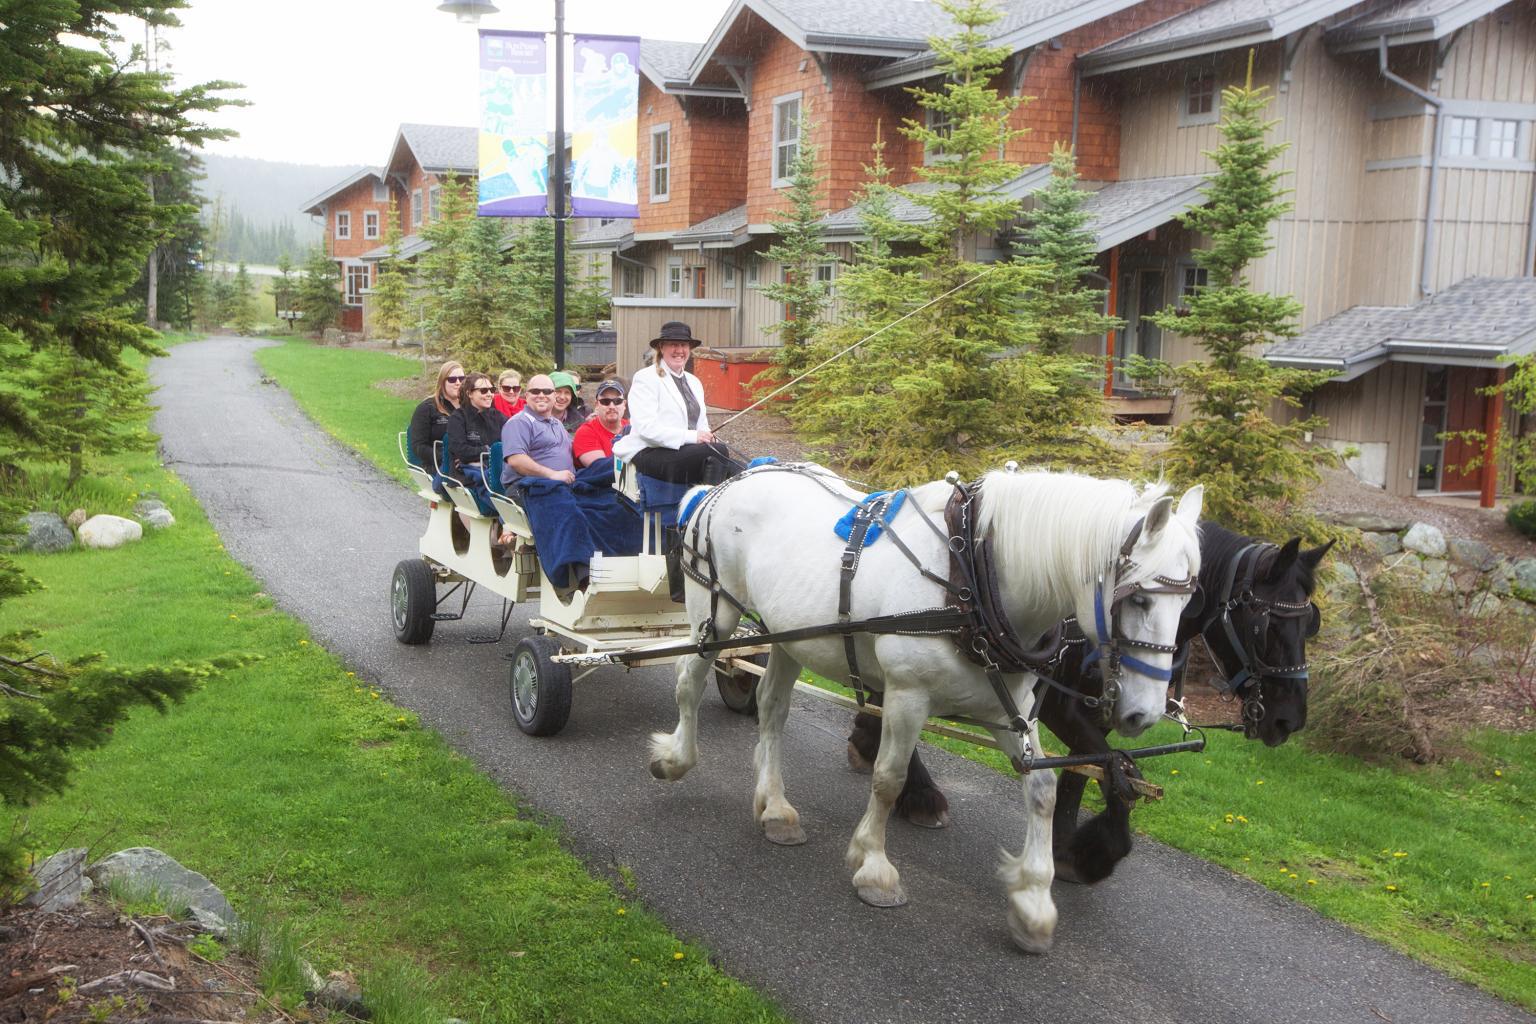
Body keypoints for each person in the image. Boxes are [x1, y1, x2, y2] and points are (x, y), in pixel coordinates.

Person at [613, 321, 742, 601]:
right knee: (715, 452)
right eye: (673, 344)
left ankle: (727, 505)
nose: (679, 350)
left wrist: (703, 437)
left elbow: (702, 426)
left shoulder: (693, 382)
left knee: (721, 452)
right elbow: (646, 429)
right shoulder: (646, 378)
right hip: (650, 452)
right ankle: (704, 523)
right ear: (661, 348)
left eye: (683, 345)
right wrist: (693, 436)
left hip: (681, 451)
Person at [501, 374, 640, 596]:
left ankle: (621, 564)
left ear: (554, 396)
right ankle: (583, 575)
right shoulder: (518, 423)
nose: (541, 396)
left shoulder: (556, 424)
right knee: (567, 508)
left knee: (609, 504)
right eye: (535, 391)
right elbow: (516, 460)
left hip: (564, 485)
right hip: (529, 486)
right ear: (526, 395)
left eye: (547, 391)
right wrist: (552, 474)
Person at [445, 372, 508, 516]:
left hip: (494, 468)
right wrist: (488, 451)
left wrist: (479, 456)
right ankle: (507, 517)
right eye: (484, 390)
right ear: (469, 393)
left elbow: (511, 440)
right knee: (487, 479)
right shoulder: (458, 417)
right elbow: (459, 450)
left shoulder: (496, 416)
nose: (490, 394)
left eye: (492, 390)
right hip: (466, 474)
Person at [408, 360, 463, 476]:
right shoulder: (427, 408)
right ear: (442, 382)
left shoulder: (469, 407)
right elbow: (418, 445)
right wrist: (446, 458)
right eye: (452, 379)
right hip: (436, 465)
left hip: (468, 462)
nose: (458, 382)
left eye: (461, 378)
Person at [571, 379, 628, 468]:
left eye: (617, 401)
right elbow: (602, 469)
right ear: (597, 405)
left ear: (624, 404)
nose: (612, 406)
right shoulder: (585, 432)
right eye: (605, 401)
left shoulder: (634, 428)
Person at [550, 370, 588, 435]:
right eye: (558, 391)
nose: (562, 397)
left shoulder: (579, 422)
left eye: (567, 392)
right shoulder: (533, 418)